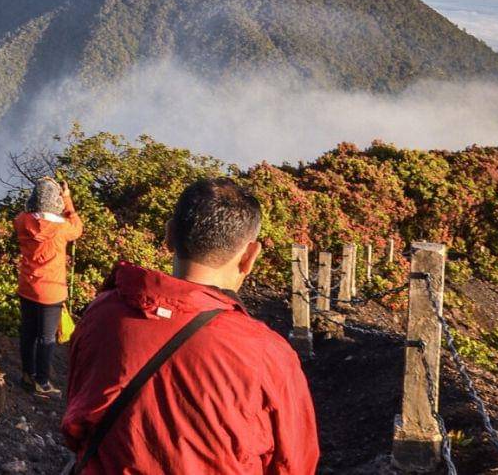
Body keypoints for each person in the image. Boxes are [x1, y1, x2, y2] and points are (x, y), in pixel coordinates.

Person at [62, 178, 319, 474]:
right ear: (250, 256)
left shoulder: (101, 315)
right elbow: (294, 464)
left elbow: (77, 419)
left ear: (169, 234)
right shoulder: (269, 354)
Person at [15, 176, 83, 396]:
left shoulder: (22, 221)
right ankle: (42, 383)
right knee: (46, 338)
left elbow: (31, 214)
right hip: (51, 293)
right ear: (55, 202)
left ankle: (27, 375)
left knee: (28, 332)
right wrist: (67, 198)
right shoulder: (61, 229)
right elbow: (77, 229)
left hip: (27, 286)